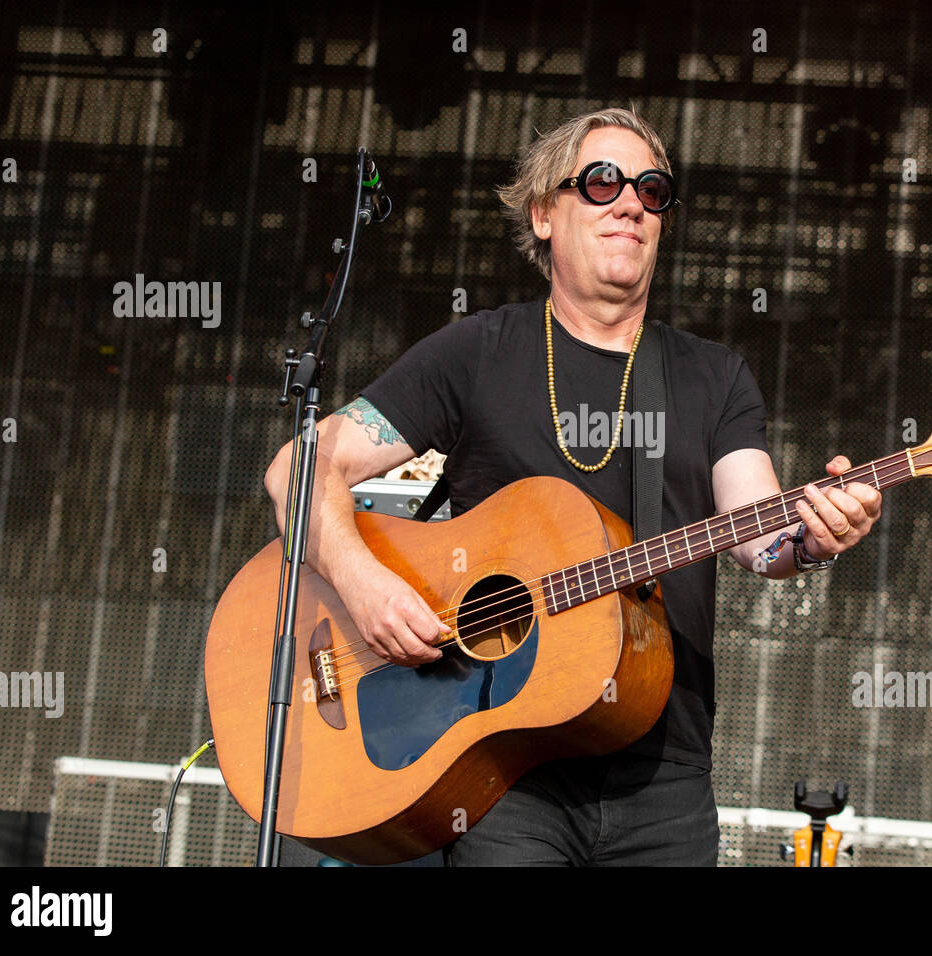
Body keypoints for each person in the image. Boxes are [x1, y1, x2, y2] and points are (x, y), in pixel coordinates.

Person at [263, 107, 882, 866]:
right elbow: (298, 468)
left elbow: (760, 535)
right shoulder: (477, 352)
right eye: (601, 182)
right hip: (504, 768)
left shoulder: (713, 377)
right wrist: (362, 587)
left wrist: (814, 537)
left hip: (665, 775)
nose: (630, 202)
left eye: (652, 190)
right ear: (544, 213)